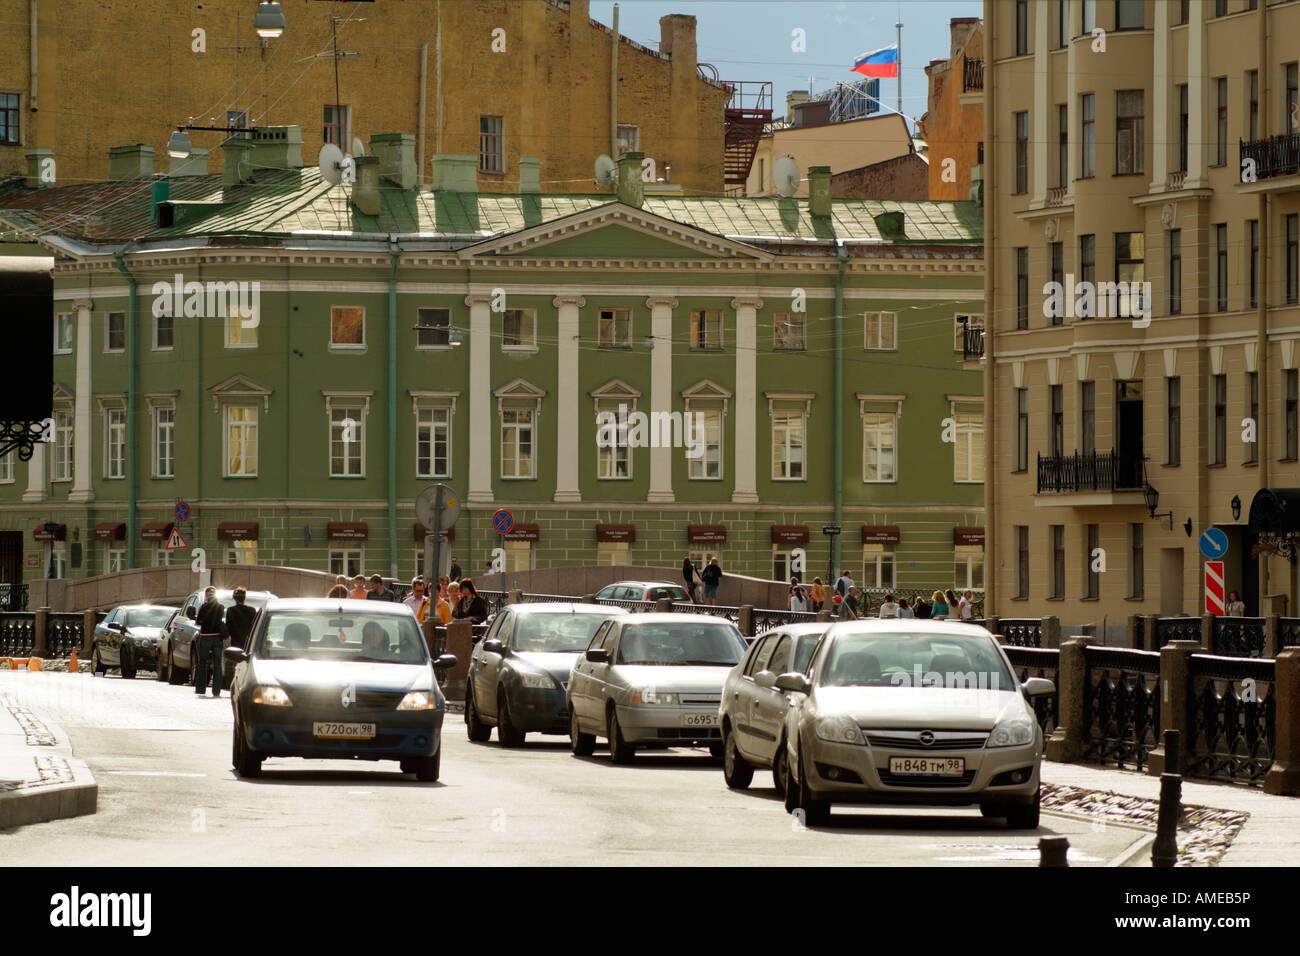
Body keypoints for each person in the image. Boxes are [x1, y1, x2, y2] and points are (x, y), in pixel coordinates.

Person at [193, 586, 225, 698]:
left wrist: (203, 620)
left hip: (205, 636)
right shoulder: (221, 607)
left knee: (202, 663)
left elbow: (198, 621)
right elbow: (220, 619)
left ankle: (201, 689)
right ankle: (216, 691)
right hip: (217, 637)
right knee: (217, 665)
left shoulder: (203, 607)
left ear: (207, 596)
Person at [225, 586, 258, 651]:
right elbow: (255, 626)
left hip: (235, 643)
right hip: (249, 642)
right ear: (244, 597)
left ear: (234, 598)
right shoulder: (252, 610)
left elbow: (228, 627)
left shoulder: (230, 610)